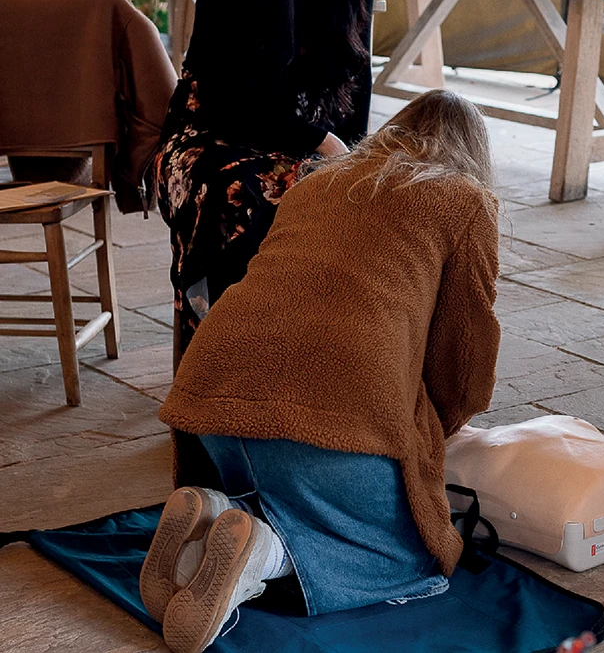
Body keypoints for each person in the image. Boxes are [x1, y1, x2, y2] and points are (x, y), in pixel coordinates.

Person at [140, 90, 501, 653]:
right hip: (331, 402)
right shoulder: (465, 200)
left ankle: (216, 511)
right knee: (405, 550)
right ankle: (267, 552)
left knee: (288, 484)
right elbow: (464, 354)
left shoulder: (317, 180)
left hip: (212, 386)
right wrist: (435, 430)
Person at [155, 0, 376, 358]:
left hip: (313, 128)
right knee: (239, 196)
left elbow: (357, 74)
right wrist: (320, 142)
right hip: (213, 132)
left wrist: (353, 154)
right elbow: (227, 104)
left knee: (366, 199)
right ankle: (222, 364)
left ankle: (316, 363)